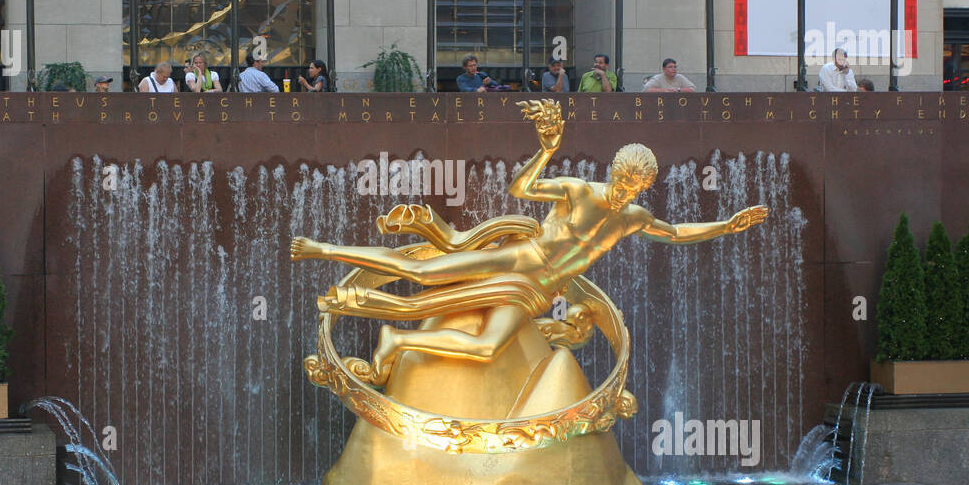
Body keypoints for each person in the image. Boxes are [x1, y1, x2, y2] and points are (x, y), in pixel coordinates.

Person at [291, 99, 766, 385]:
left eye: (633, 186)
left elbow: (677, 232)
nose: (624, 190)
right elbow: (521, 189)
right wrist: (547, 151)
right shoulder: (580, 190)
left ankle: (397, 340)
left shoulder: (633, 217)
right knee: (420, 272)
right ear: (613, 171)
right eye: (621, 179)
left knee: (486, 347)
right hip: (520, 258)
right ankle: (324, 249)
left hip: (539, 291)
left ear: (643, 187)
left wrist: (726, 226)